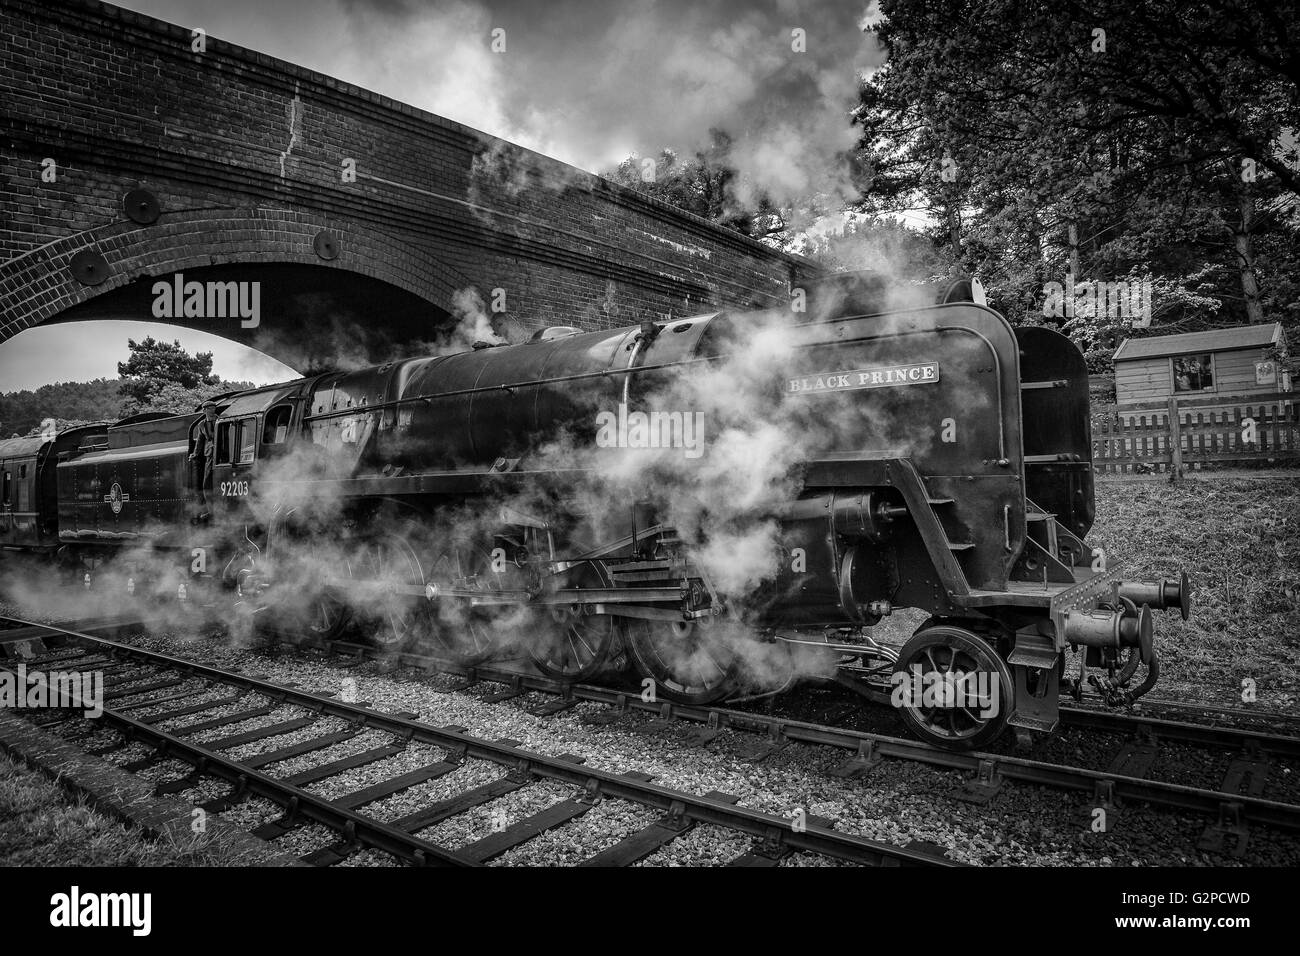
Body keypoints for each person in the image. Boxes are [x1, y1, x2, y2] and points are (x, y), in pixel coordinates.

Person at [189, 401, 218, 519]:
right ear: (204, 410)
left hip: (221, 454)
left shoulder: (221, 420)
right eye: (210, 408)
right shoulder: (201, 425)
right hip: (209, 456)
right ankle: (211, 511)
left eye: (213, 408)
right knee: (206, 485)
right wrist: (194, 455)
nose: (212, 410)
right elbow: (200, 442)